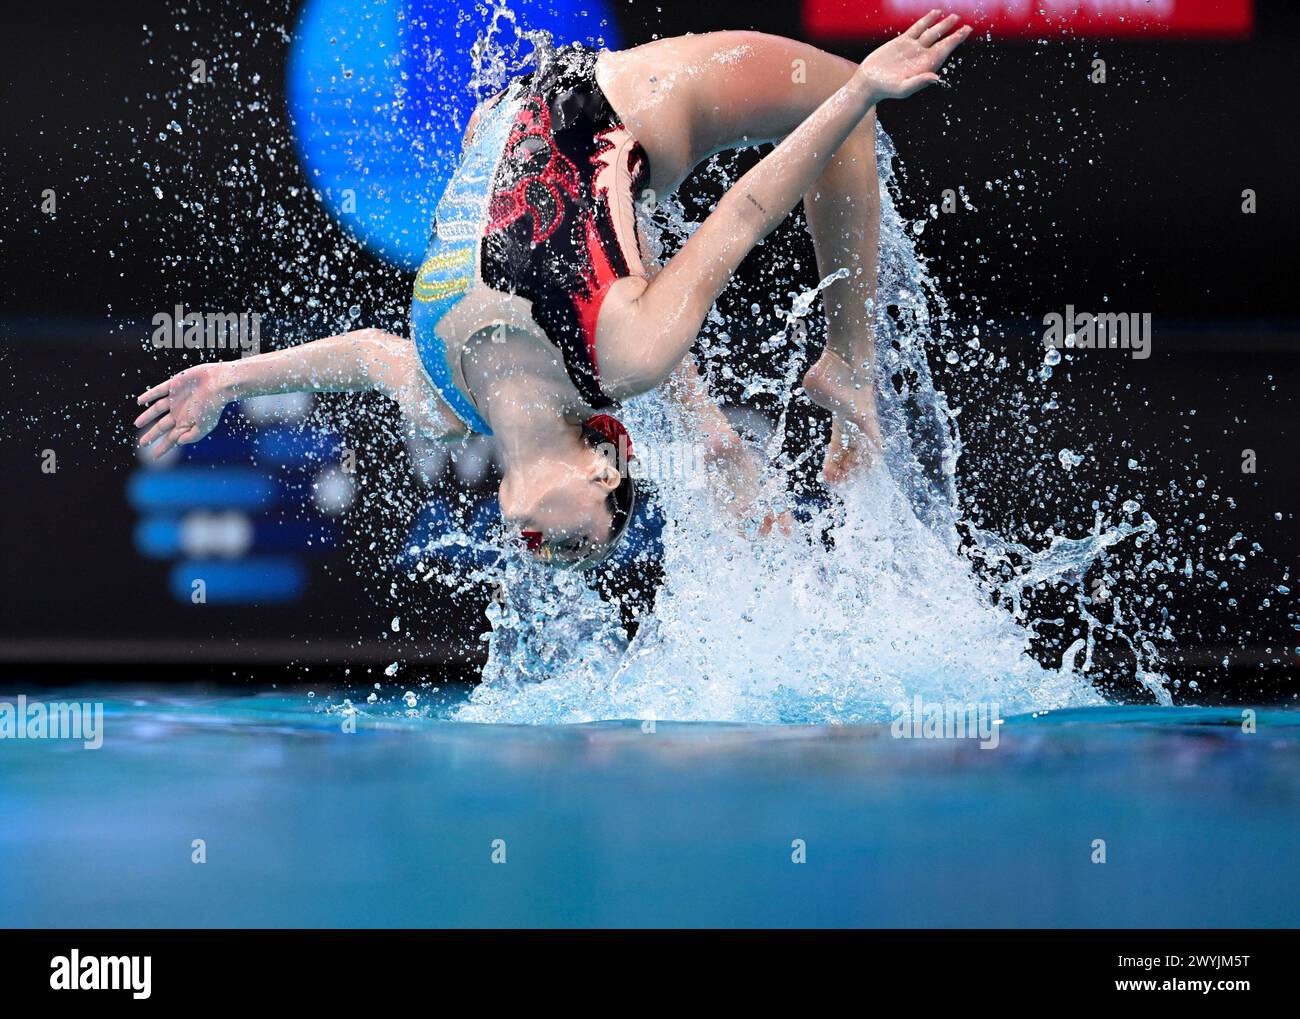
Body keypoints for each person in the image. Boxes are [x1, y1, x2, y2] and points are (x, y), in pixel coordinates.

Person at [136, 12, 972, 567]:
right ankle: (847, 363)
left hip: (510, 112)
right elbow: (747, 210)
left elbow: (360, 355)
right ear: (608, 474)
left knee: (616, 270)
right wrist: (861, 86)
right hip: (624, 104)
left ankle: (725, 434)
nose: (551, 556)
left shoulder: (442, 398)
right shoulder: (630, 355)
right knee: (841, 114)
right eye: (580, 547)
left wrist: (227, 378)